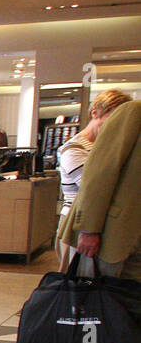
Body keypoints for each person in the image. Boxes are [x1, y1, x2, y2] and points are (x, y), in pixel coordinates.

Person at [56, 97, 141, 343]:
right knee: (90, 308)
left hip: (134, 236)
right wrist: (89, 228)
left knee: (128, 310)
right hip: (106, 232)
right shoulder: (133, 113)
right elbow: (100, 173)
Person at [55, 89, 131, 270]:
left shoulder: (106, 147)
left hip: (93, 223)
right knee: (80, 284)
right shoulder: (74, 149)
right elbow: (92, 190)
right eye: (112, 118)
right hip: (77, 223)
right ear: (95, 113)